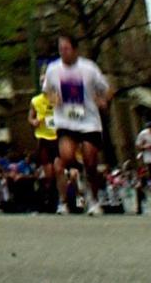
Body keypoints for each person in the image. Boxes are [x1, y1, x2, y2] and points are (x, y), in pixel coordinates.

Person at [43, 33, 113, 216]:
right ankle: (66, 198)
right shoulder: (53, 69)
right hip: (65, 120)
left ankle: (93, 200)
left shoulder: (89, 68)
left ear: (75, 50)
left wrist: (104, 101)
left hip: (88, 121)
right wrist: (53, 99)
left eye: (66, 49)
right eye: (60, 49)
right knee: (65, 156)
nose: (63, 53)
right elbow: (46, 92)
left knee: (91, 161)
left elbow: (106, 89)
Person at [28, 72, 58, 211]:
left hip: (58, 137)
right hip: (43, 137)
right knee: (48, 170)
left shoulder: (58, 99)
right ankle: (49, 197)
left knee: (59, 168)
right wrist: (35, 122)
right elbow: (31, 118)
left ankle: (63, 198)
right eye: (41, 82)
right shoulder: (36, 100)